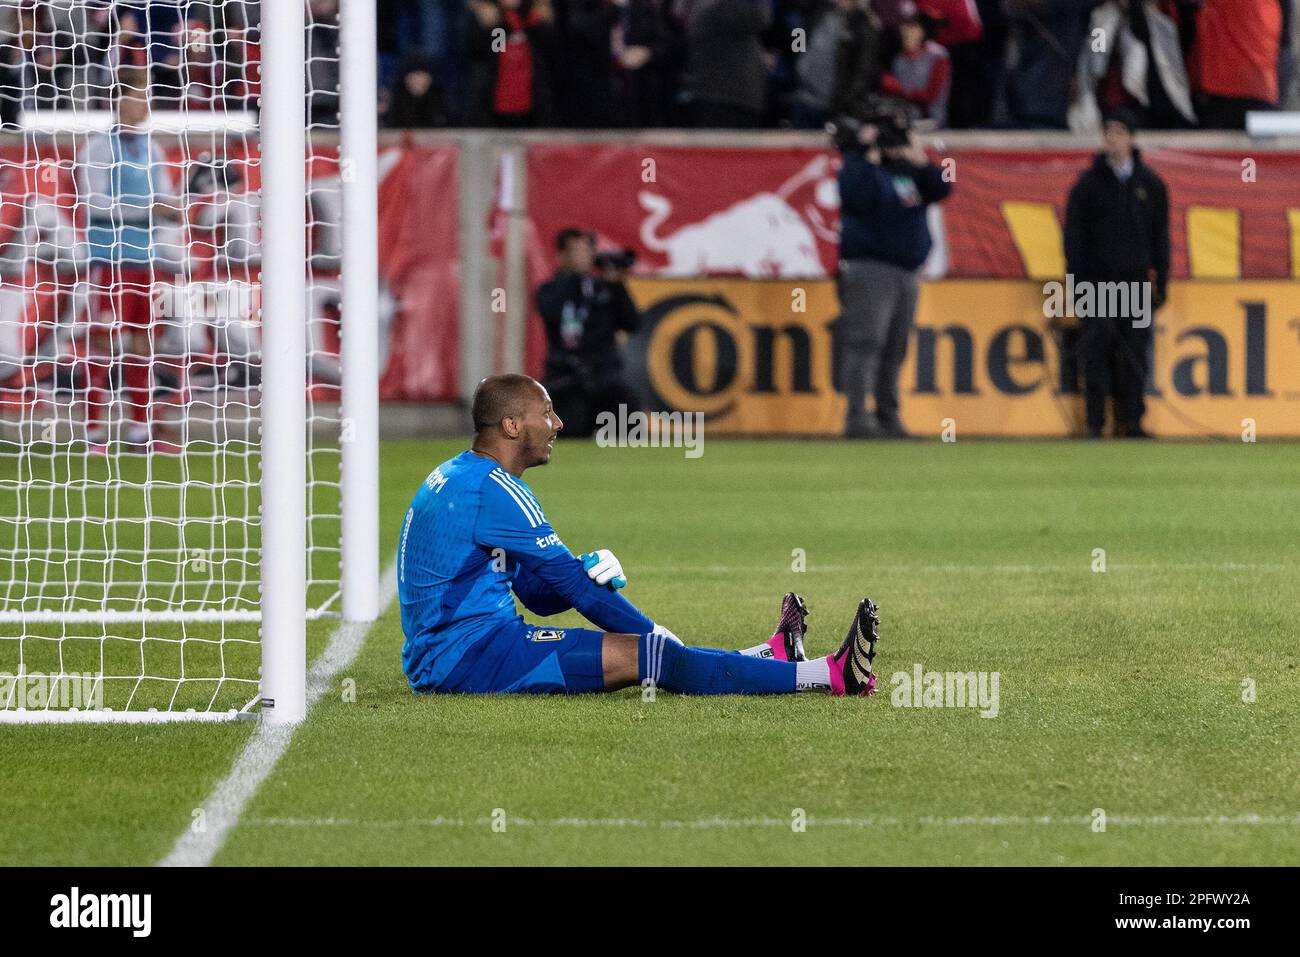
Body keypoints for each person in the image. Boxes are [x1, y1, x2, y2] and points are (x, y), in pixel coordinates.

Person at [398, 374, 882, 697]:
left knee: (654, 654)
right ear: (510, 425)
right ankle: (829, 675)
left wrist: (586, 567)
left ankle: (772, 655)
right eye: (546, 413)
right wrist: (647, 628)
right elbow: (573, 592)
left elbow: (538, 594)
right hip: (468, 659)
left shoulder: (461, 475)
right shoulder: (495, 491)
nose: (558, 424)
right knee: (654, 654)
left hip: (460, 650)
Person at [76, 74, 183, 452]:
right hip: (107, 259)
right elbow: (93, 203)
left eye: (148, 99)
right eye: (138, 98)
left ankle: (140, 431)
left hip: (144, 258)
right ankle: (92, 432)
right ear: (118, 102)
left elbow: (165, 195)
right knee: (103, 341)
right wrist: (146, 210)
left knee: (143, 342)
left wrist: (172, 211)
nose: (145, 107)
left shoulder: (151, 149)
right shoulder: (97, 148)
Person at [835, 110, 952, 438]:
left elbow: (942, 188)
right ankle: (858, 417)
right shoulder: (863, 169)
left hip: (906, 270)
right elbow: (853, 191)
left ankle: (888, 416)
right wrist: (864, 150)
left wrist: (918, 156)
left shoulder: (906, 173)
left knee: (896, 346)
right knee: (866, 342)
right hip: (870, 267)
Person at [1064, 108, 1170, 438]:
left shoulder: (1151, 185)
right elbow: (1074, 237)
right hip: (1096, 283)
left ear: (1131, 137)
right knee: (1095, 355)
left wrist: (1162, 280)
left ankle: (1132, 422)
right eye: (1108, 131)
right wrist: (1077, 282)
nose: (1113, 138)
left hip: (1136, 283)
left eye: (1119, 131)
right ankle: (1095, 424)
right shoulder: (1087, 185)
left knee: (1135, 355)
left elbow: (1160, 237)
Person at [535, 228, 639, 438]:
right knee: (565, 435)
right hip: (566, 379)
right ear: (562, 255)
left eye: (588, 250)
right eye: (577, 251)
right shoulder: (550, 289)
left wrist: (617, 286)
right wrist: (573, 276)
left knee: (628, 423)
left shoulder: (604, 289)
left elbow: (632, 323)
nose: (585, 256)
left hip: (605, 378)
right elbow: (551, 311)